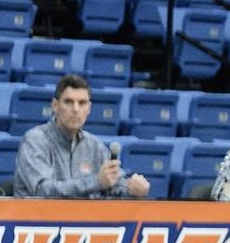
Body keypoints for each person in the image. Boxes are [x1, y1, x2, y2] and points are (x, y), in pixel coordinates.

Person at [14, 76, 149, 199]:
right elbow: (42, 191)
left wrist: (133, 189)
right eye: (68, 102)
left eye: (82, 103)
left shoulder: (94, 146)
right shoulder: (35, 140)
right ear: (55, 105)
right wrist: (96, 182)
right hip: (38, 222)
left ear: (89, 108)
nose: (75, 109)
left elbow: (114, 186)